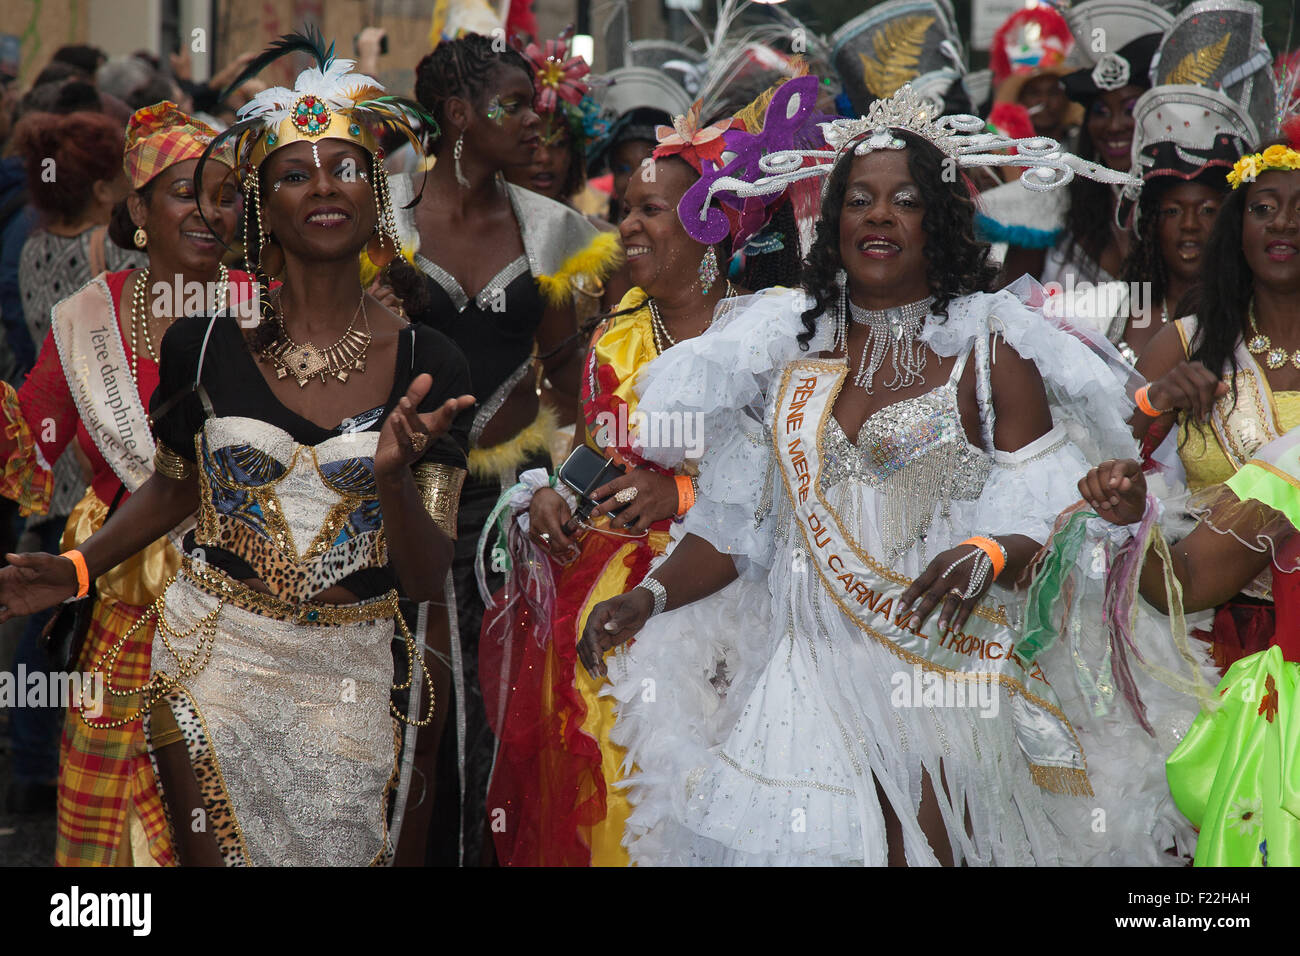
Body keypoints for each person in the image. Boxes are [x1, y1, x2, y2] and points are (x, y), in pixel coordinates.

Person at [577, 86, 1144, 865]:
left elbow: (1053, 520)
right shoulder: (781, 348)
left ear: (937, 223)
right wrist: (651, 595)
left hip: (938, 686)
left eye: (905, 201)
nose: (878, 216)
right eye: (859, 200)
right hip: (801, 686)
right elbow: (737, 524)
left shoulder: (992, 353)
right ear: (833, 221)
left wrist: (995, 551)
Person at [0, 34, 474, 867]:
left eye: (347, 167)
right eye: (296, 172)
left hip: (357, 674)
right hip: (212, 663)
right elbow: (177, 489)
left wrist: (394, 482)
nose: (325, 186)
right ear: (260, 206)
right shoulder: (205, 345)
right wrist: (77, 569)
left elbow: (427, 577)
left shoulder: (430, 362)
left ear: (375, 194)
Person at [387, 32, 622, 865]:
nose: (534, 122)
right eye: (512, 105)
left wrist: (573, 486)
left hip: (510, 506)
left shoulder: (553, 229)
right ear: (456, 115)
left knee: (502, 705)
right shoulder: (376, 211)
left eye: (536, 103)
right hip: (393, 499)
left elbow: (569, 385)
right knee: (410, 708)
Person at [0, 101, 252, 864]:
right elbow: (30, 435)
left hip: (254, 620)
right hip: (125, 615)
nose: (211, 211)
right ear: (138, 209)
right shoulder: (88, 318)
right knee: (120, 843)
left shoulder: (270, 310)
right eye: (186, 192)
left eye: (227, 192)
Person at [1042, 0, 1172, 287]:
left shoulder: (1186, 209)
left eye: (1130, 110)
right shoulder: (1058, 203)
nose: (1114, 125)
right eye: (1100, 111)